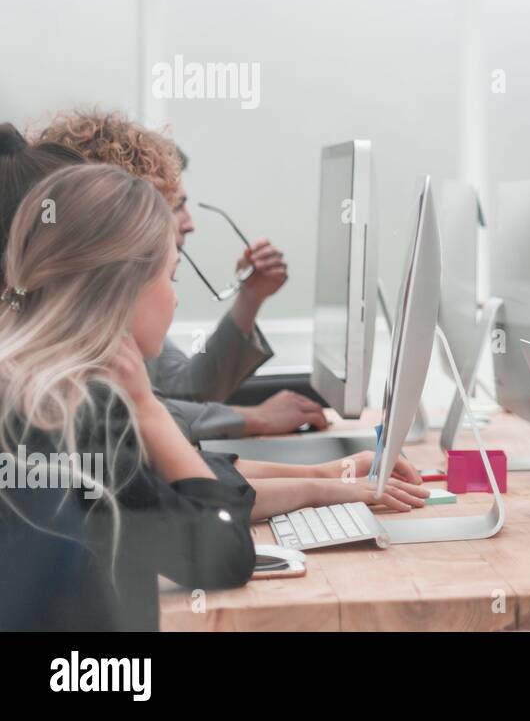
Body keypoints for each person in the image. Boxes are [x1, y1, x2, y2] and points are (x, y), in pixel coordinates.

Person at [0, 123, 429, 520]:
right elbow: (183, 480)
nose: (186, 224)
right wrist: (260, 426)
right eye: (174, 207)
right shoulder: (66, 404)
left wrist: (324, 477)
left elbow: (172, 420)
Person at [0, 163, 256, 630]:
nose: (175, 300)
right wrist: (148, 410)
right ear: (126, 287)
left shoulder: (17, 388)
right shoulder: (81, 413)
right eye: (171, 277)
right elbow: (224, 552)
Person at [35, 110, 324, 440]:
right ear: (123, 211)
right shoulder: (65, 323)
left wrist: (251, 298)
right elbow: (127, 420)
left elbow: (185, 390)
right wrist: (252, 418)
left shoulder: (122, 302)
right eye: (176, 207)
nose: (189, 223)